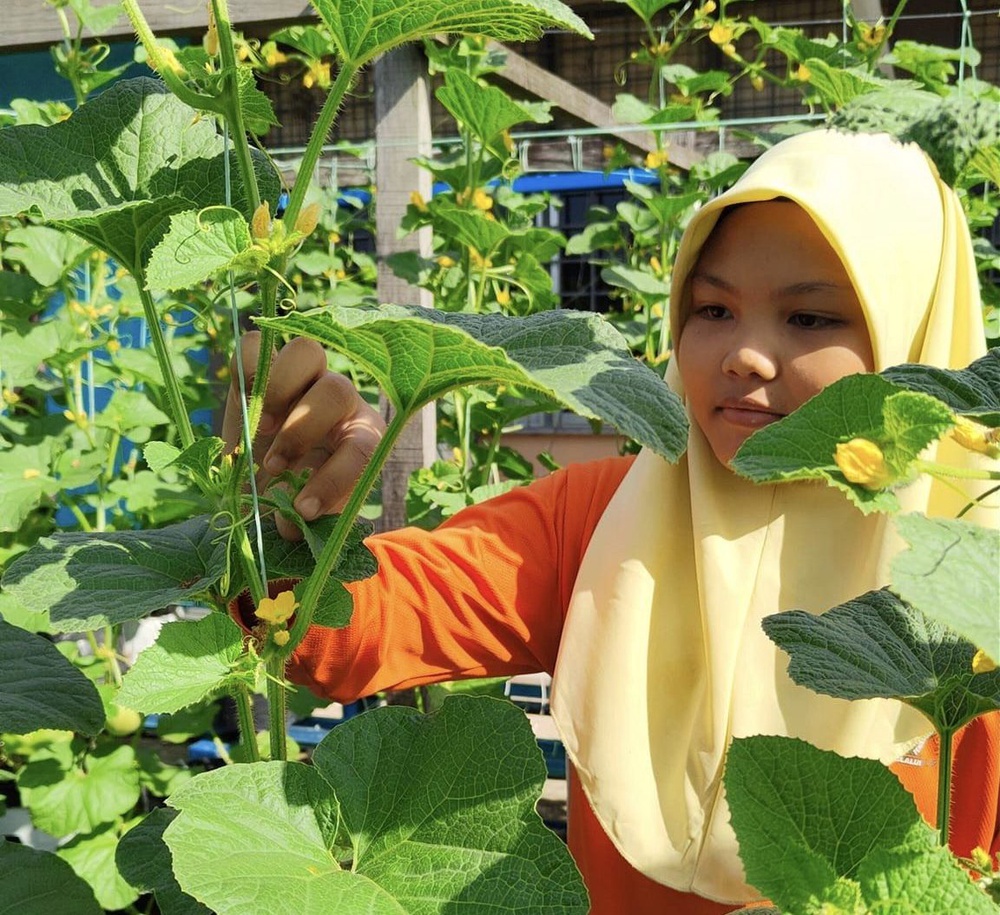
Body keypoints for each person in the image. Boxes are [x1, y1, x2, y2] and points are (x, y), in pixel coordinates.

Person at [224, 129, 1000, 913]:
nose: (744, 355)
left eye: (809, 319)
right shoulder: (601, 514)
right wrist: (284, 507)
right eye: (713, 307)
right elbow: (343, 632)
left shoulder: (982, 594)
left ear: (916, 334)